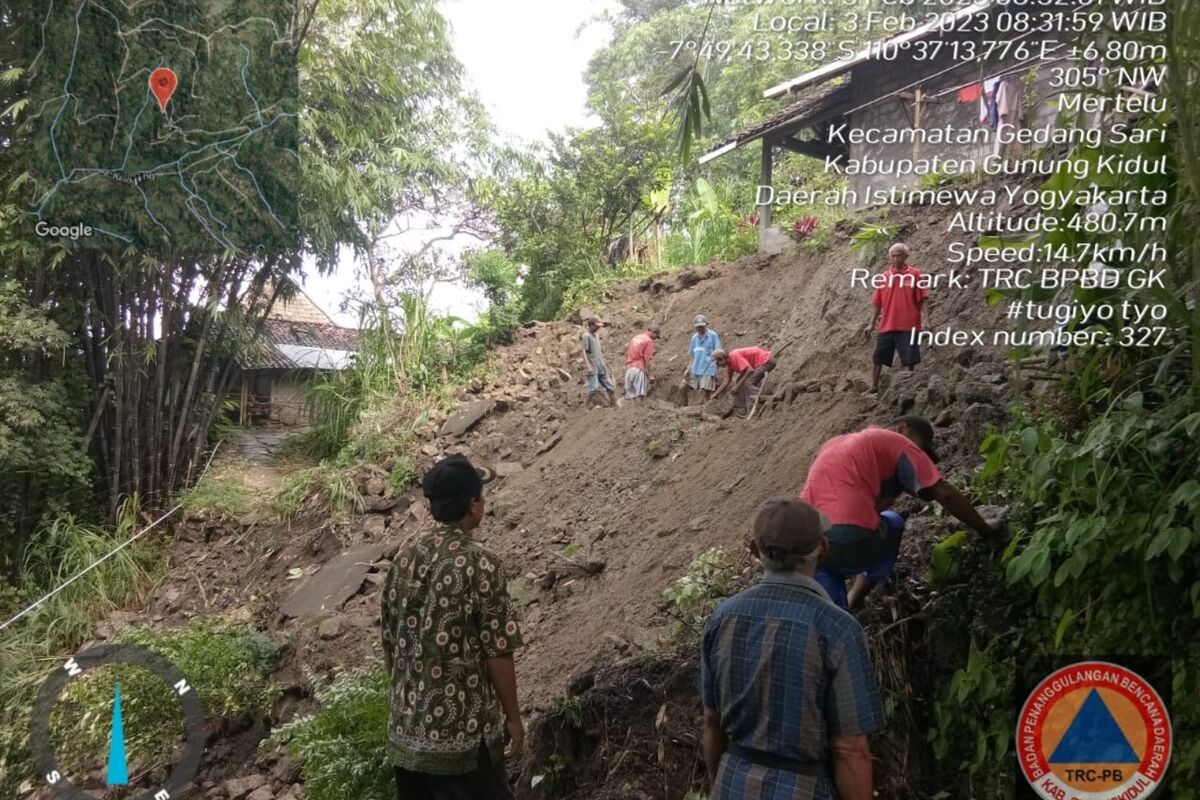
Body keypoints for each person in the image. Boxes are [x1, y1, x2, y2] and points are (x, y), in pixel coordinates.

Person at [700, 498, 884, 800]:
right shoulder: (838, 629)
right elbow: (850, 750)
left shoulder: (723, 617)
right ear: (823, 549)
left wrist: (719, 786)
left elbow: (712, 723)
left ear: (754, 551)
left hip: (732, 783)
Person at [382, 454, 524, 800]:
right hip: (463, 740)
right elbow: (497, 653)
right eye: (482, 495)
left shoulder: (405, 558)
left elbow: (390, 642)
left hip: (405, 737)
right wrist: (514, 718)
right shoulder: (481, 564)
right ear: (473, 505)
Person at [800, 416, 1000, 610]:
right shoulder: (896, 441)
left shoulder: (836, 444)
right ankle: (856, 597)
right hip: (849, 535)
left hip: (807, 542)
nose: (921, 455)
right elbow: (944, 494)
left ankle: (840, 610)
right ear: (902, 429)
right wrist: (985, 529)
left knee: (827, 568)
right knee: (893, 522)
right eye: (920, 448)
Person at [867, 243, 929, 393]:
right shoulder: (884, 277)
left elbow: (923, 299)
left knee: (909, 359)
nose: (896, 258)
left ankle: (908, 388)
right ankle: (874, 386)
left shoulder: (915, 275)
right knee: (878, 357)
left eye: (899, 255)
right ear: (889, 258)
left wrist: (926, 319)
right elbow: (877, 303)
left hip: (909, 324)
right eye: (893, 256)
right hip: (887, 324)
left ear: (906, 256)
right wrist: (871, 324)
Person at [711, 346, 775, 417]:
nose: (719, 366)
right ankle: (741, 409)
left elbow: (749, 370)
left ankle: (756, 406)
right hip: (758, 364)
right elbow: (728, 379)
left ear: (722, 358)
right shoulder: (730, 364)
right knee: (738, 381)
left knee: (748, 382)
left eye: (718, 363)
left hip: (766, 361)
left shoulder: (734, 356)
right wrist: (715, 394)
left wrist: (737, 386)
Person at [680, 314, 721, 405]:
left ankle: (705, 411)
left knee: (705, 392)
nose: (700, 328)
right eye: (698, 327)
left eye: (702, 326)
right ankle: (683, 409)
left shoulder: (713, 335)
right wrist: (688, 368)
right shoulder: (694, 337)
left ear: (706, 324)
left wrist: (715, 370)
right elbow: (692, 355)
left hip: (708, 368)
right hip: (695, 367)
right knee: (683, 387)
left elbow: (718, 353)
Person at [580, 315, 620, 408]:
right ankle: (584, 407)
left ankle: (616, 405)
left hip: (600, 365)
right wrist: (588, 366)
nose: (598, 328)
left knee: (610, 386)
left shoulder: (596, 335)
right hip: (593, 366)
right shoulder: (586, 336)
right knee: (593, 388)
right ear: (591, 325)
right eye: (596, 326)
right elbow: (583, 352)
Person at [624, 325, 660, 400]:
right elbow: (647, 359)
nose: (655, 339)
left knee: (631, 397)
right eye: (656, 337)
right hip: (638, 369)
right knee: (640, 395)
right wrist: (650, 375)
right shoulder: (648, 341)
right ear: (653, 332)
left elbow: (626, 349)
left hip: (629, 369)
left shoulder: (636, 337)